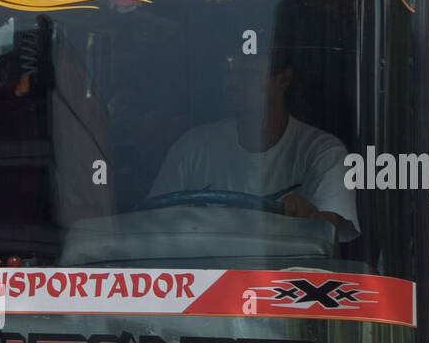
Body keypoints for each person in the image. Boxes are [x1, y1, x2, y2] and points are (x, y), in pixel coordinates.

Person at [147, 44, 359, 241]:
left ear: (283, 80)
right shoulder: (192, 146)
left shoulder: (322, 151)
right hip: (201, 277)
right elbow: (153, 224)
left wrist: (310, 215)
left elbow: (331, 236)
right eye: (229, 71)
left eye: (245, 73)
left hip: (287, 278)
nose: (231, 83)